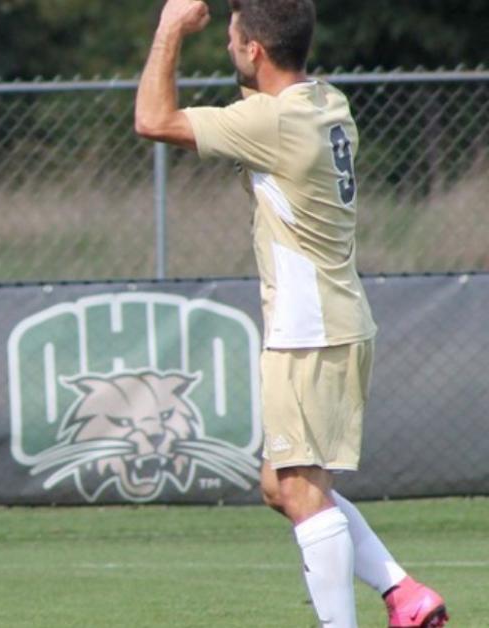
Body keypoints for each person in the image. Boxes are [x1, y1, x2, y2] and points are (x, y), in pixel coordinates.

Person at [134, 1, 448, 627]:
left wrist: (170, 26)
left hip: (307, 328)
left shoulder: (272, 121)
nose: (226, 48)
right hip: (335, 316)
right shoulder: (326, 101)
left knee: (302, 492)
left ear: (254, 50)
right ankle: (404, 594)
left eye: (231, 39)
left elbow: (151, 119)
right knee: (280, 484)